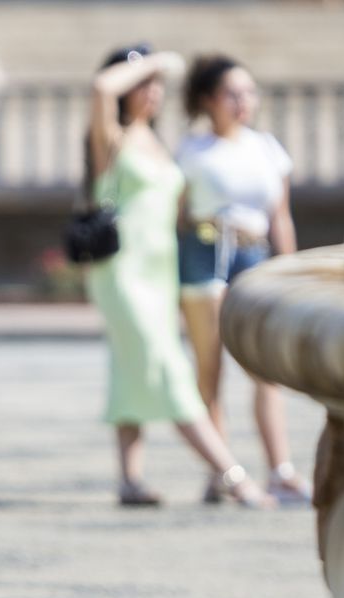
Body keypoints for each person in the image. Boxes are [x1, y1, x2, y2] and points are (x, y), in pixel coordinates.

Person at [84, 45, 273, 509]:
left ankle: (130, 480)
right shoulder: (112, 137)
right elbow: (98, 88)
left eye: (156, 86)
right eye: (141, 86)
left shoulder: (161, 142)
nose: (151, 92)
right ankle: (233, 475)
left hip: (161, 271)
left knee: (130, 369)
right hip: (123, 272)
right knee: (168, 369)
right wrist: (153, 61)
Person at [176, 54, 313, 506]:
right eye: (233, 94)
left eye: (248, 92)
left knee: (263, 368)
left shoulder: (267, 147)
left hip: (253, 253)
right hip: (206, 250)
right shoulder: (192, 151)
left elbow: (281, 216)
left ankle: (280, 469)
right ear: (209, 100)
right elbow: (176, 214)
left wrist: (290, 272)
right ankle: (224, 472)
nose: (243, 102)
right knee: (210, 368)